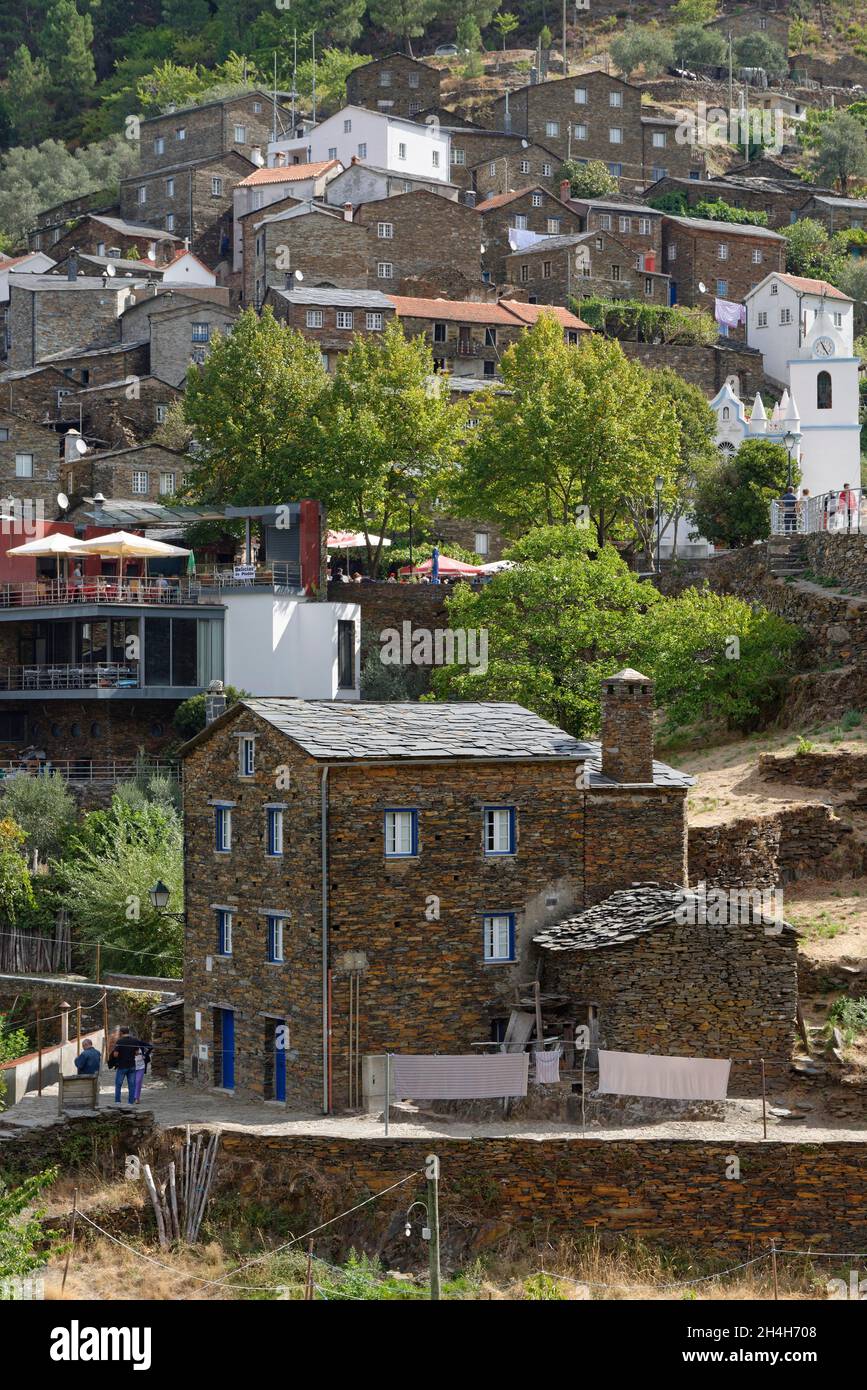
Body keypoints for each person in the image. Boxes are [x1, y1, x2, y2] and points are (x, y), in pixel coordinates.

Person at [107, 1025, 149, 1105]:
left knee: (118, 1084)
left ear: (121, 1032)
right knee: (132, 1085)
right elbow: (136, 1053)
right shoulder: (134, 1041)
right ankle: (130, 1102)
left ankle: (118, 1101)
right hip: (132, 1065)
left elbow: (115, 1054)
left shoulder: (119, 1042)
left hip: (122, 1066)